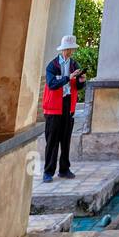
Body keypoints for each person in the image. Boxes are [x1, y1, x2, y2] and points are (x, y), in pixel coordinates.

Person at [42, 35, 87, 183]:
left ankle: (64, 169)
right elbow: (52, 84)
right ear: (63, 49)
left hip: (68, 104)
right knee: (52, 140)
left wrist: (81, 81)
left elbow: (78, 87)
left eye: (72, 49)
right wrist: (68, 77)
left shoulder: (74, 64)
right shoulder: (52, 66)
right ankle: (48, 171)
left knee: (65, 139)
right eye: (69, 49)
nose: (70, 52)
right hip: (54, 107)